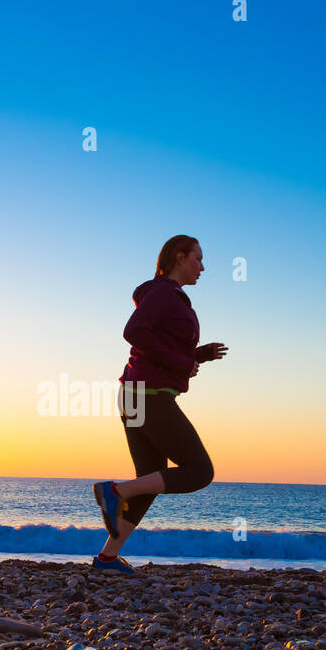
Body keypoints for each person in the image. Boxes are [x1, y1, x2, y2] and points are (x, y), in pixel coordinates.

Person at [92, 235, 227, 573]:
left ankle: (107, 558)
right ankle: (114, 490)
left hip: (135, 394)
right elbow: (135, 332)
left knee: (150, 481)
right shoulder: (166, 293)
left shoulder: (163, 296)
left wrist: (199, 355)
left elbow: (157, 346)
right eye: (198, 258)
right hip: (147, 395)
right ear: (179, 257)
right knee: (199, 471)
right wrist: (183, 364)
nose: (202, 267)